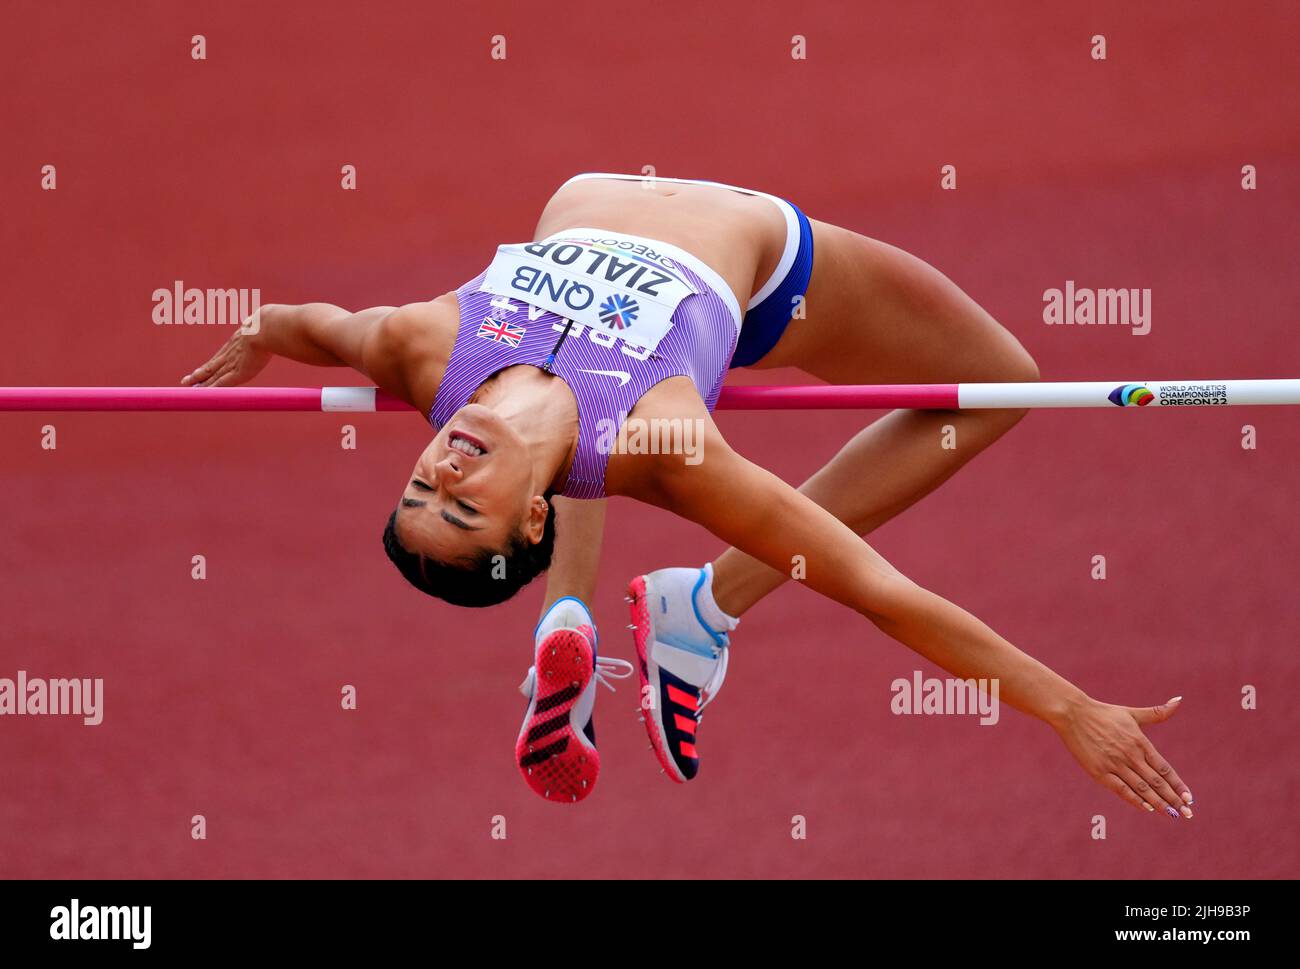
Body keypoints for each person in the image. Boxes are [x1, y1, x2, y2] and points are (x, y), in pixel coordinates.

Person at [183, 173, 1194, 815]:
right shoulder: (671, 450)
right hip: (760, 267)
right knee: (999, 381)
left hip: (583, 204)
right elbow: (880, 592)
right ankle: (701, 606)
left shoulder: (418, 350)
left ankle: (583, 612)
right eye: (460, 506)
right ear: (524, 520)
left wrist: (260, 330)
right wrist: (1066, 709)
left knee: (572, 441)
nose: (443, 470)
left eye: (420, 483)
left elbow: (311, 323)